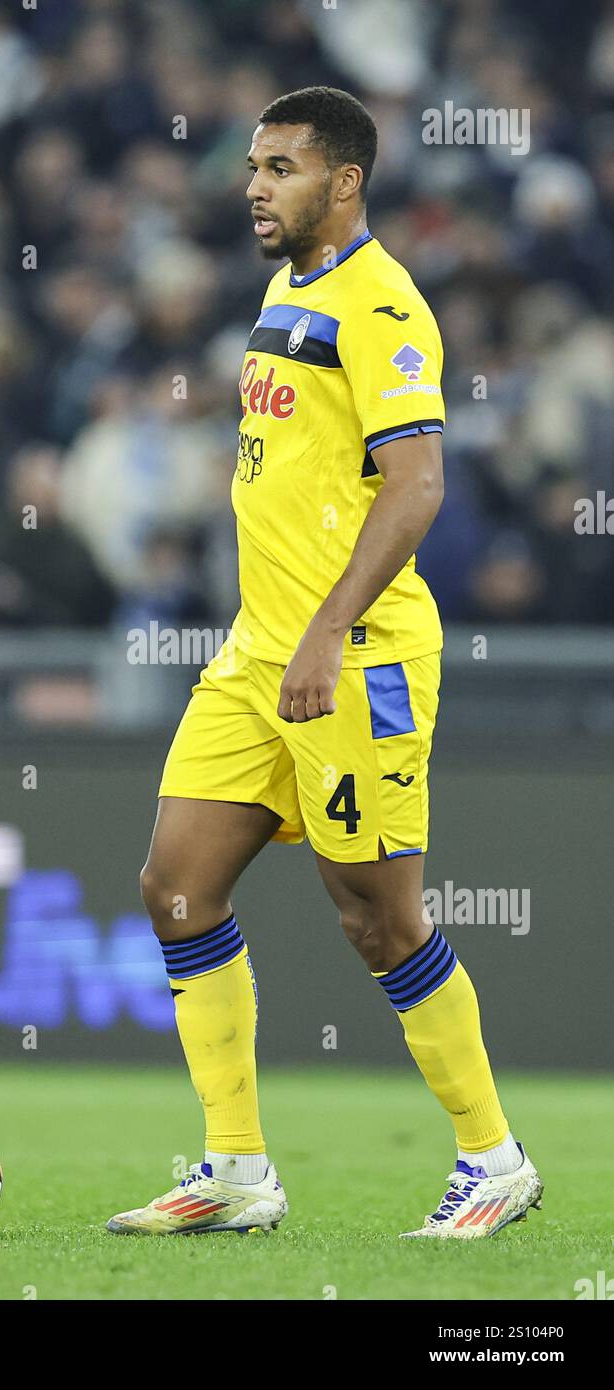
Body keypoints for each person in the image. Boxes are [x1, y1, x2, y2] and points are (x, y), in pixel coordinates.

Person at [107, 87, 543, 1239]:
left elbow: (416, 486)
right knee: (175, 886)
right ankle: (237, 1170)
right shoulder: (283, 283)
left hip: (353, 656)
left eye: (282, 166)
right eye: (253, 165)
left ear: (341, 180)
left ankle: (491, 1160)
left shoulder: (384, 305)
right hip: (256, 649)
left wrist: (324, 629)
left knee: (377, 920)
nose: (255, 184)